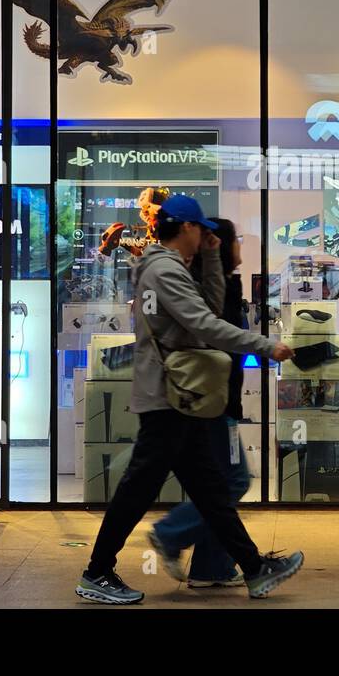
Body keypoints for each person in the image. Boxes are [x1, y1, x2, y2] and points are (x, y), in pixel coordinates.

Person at [76, 195, 304, 603]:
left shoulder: (165, 267)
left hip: (178, 396)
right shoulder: (165, 269)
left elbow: (207, 311)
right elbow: (205, 325)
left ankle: (253, 569)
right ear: (185, 227)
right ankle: (97, 571)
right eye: (200, 228)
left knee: (211, 491)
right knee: (138, 490)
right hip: (168, 396)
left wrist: (213, 261)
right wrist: (265, 346)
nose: (205, 235)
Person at [148, 217, 253, 588]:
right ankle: (171, 533)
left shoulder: (224, 287)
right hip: (213, 403)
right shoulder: (215, 292)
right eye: (236, 239)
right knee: (233, 480)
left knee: (222, 481)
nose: (242, 245)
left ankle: (213, 567)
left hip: (217, 401)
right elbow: (218, 339)